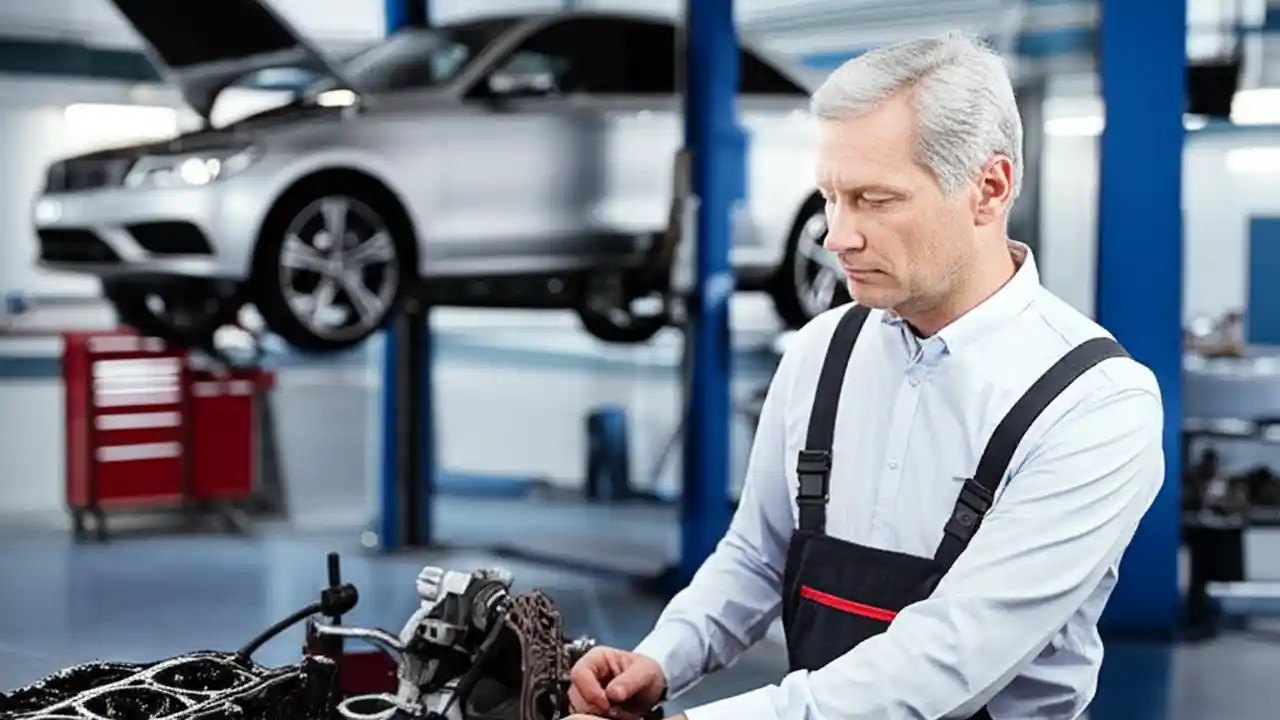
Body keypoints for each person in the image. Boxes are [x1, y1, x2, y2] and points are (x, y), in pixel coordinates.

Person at [566, 30, 1165, 720]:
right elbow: (757, 556)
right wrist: (662, 660)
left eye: (876, 201)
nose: (837, 236)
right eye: (831, 196)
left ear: (988, 189)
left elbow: (944, 662)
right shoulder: (822, 351)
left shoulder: (1094, 406)